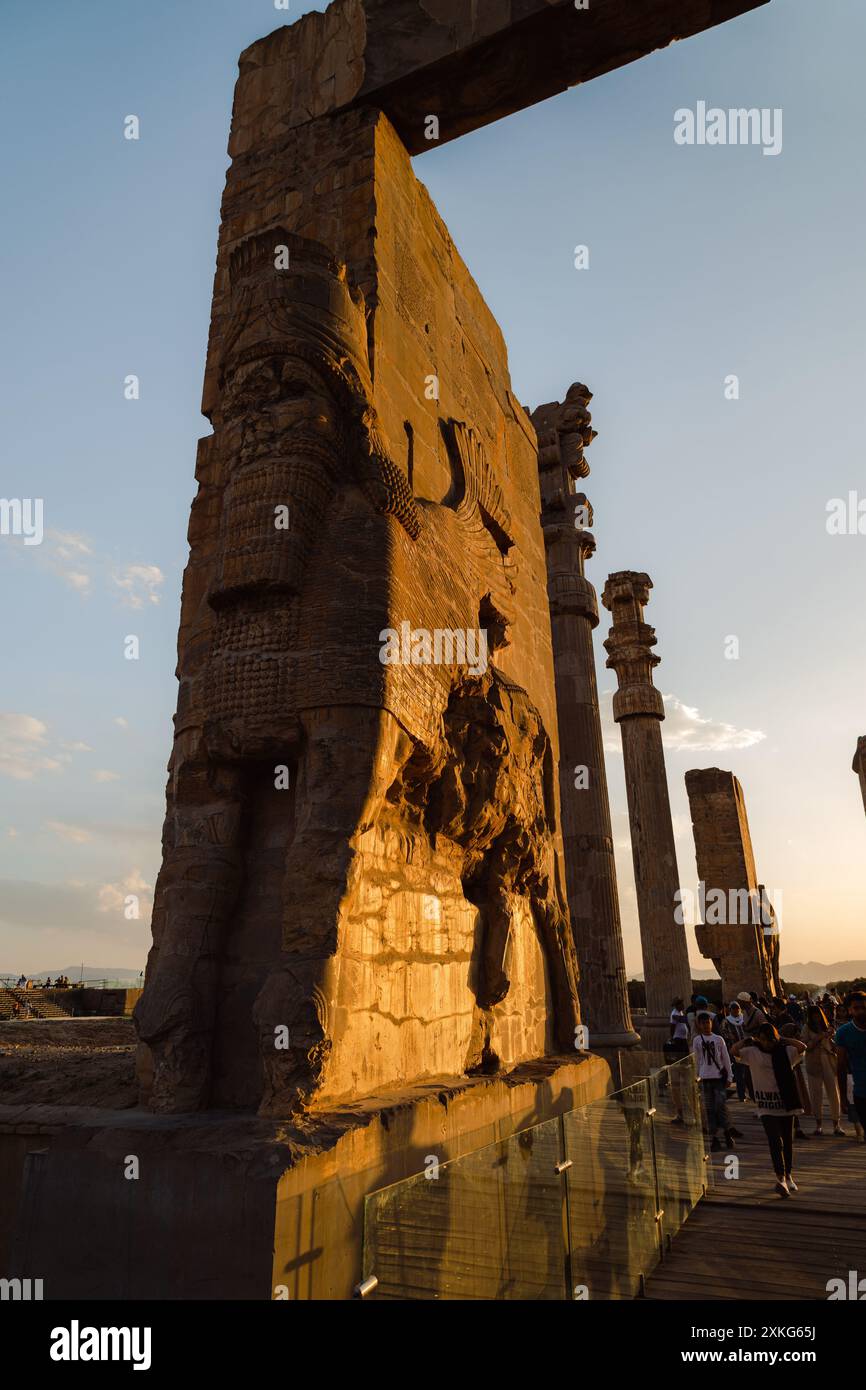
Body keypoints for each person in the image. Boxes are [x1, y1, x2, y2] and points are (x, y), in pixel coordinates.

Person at [732, 1023, 807, 1197]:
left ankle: (788, 1175)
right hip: (766, 1106)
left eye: (770, 1040)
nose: (767, 1044)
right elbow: (734, 1051)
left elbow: (802, 1047)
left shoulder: (786, 1052)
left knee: (787, 1142)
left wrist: (783, 1039)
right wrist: (747, 1040)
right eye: (763, 1040)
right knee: (775, 1142)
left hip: (786, 1104)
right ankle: (780, 1178)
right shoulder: (752, 1053)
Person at [692, 1012, 736, 1151]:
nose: (706, 1025)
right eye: (703, 1023)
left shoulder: (718, 1039)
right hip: (705, 1078)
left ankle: (727, 1134)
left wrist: (729, 1076)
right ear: (699, 1025)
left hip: (718, 1078)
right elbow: (697, 1060)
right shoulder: (697, 1041)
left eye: (708, 1022)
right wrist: (697, 1076)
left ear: (711, 1023)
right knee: (709, 1109)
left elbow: (726, 1059)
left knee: (720, 1106)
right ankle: (715, 1138)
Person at [802, 1005, 844, 1136]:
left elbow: (835, 1045)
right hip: (814, 1063)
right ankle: (818, 1125)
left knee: (834, 1093)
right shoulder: (806, 1028)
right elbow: (806, 1047)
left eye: (818, 1014)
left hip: (828, 1061)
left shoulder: (828, 1026)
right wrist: (819, 1037)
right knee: (816, 1094)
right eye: (813, 1015)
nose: (816, 1017)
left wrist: (831, 1037)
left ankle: (836, 1124)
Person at [835, 990, 866, 1140]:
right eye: (856, 1008)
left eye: (863, 1007)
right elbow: (840, 1066)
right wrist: (843, 1097)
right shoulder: (843, 1033)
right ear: (850, 1010)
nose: (861, 1011)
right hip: (861, 1092)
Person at [720, 1001, 753, 1102]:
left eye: (737, 1008)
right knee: (739, 1073)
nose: (736, 1010)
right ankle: (741, 1095)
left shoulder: (744, 1019)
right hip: (735, 1050)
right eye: (734, 1009)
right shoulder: (726, 1021)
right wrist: (730, 1037)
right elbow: (723, 1033)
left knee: (749, 1073)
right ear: (730, 1010)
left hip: (747, 1049)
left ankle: (751, 1094)